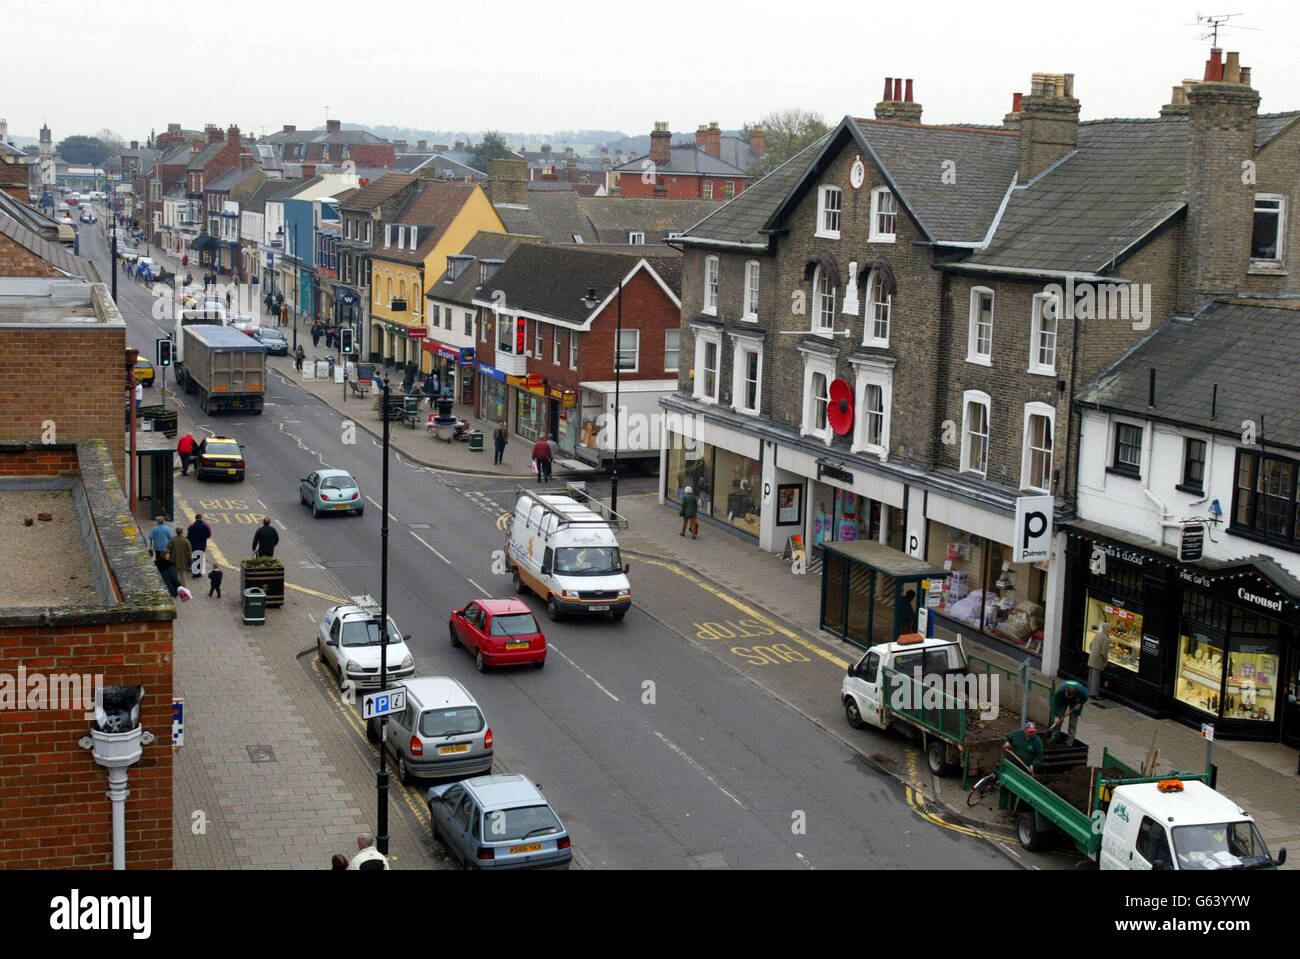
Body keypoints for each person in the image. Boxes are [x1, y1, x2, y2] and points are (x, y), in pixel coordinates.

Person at [1048, 680, 1090, 746]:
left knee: (1073, 723)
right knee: (1058, 721)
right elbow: (1055, 704)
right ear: (1066, 691)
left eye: (1069, 696)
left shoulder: (1081, 691)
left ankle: (1069, 742)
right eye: (1067, 695)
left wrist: (1080, 703)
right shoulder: (1060, 692)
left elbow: (1087, 696)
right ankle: (1055, 737)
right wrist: (1056, 716)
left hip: (1075, 702)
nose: (1068, 697)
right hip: (1063, 701)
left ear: (1074, 694)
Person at [1088, 623, 1110, 700]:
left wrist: (1093, 652)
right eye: (1109, 628)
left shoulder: (1097, 635)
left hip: (1092, 658)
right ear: (1106, 629)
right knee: (1096, 677)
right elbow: (1103, 652)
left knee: (1091, 676)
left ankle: (1089, 691)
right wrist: (1105, 660)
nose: (1109, 629)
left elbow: (1090, 645)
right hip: (1098, 660)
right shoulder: (1106, 638)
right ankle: (1094, 694)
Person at [187, 513, 212, 578]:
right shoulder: (205, 526)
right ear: (201, 518)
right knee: (200, 558)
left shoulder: (192, 526)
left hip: (194, 544)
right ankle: (198, 572)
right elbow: (209, 534)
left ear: (195, 518)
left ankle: (195, 572)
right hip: (202, 544)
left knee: (195, 558)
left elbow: (189, 536)